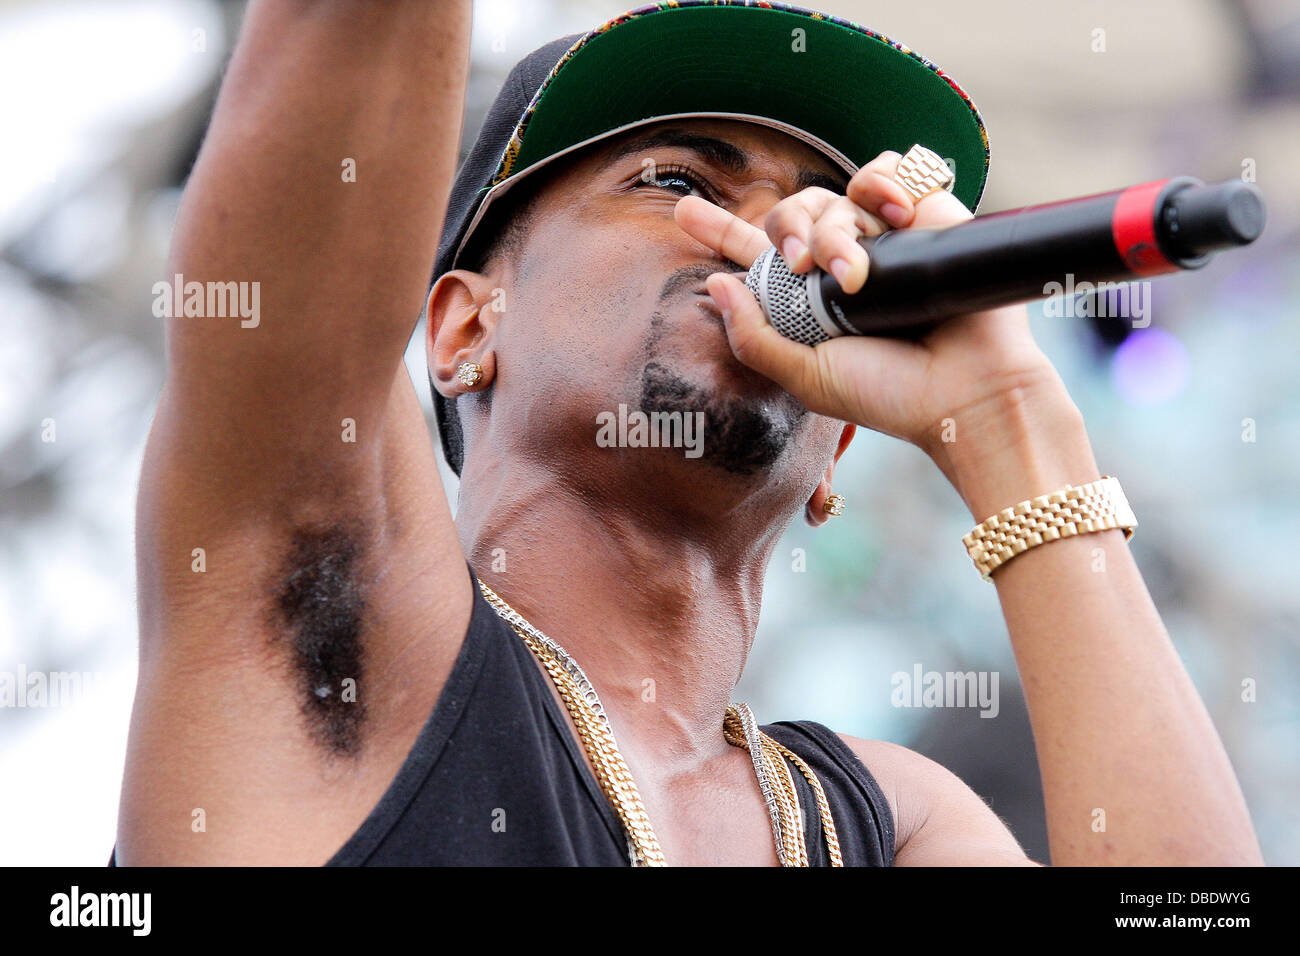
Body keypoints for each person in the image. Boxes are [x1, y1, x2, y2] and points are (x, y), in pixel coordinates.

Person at [113, 0, 1262, 866]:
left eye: (812, 204)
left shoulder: (888, 823)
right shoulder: (344, 628)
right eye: (672, 181)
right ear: (465, 329)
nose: (764, 239)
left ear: (840, 449)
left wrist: (1012, 423)